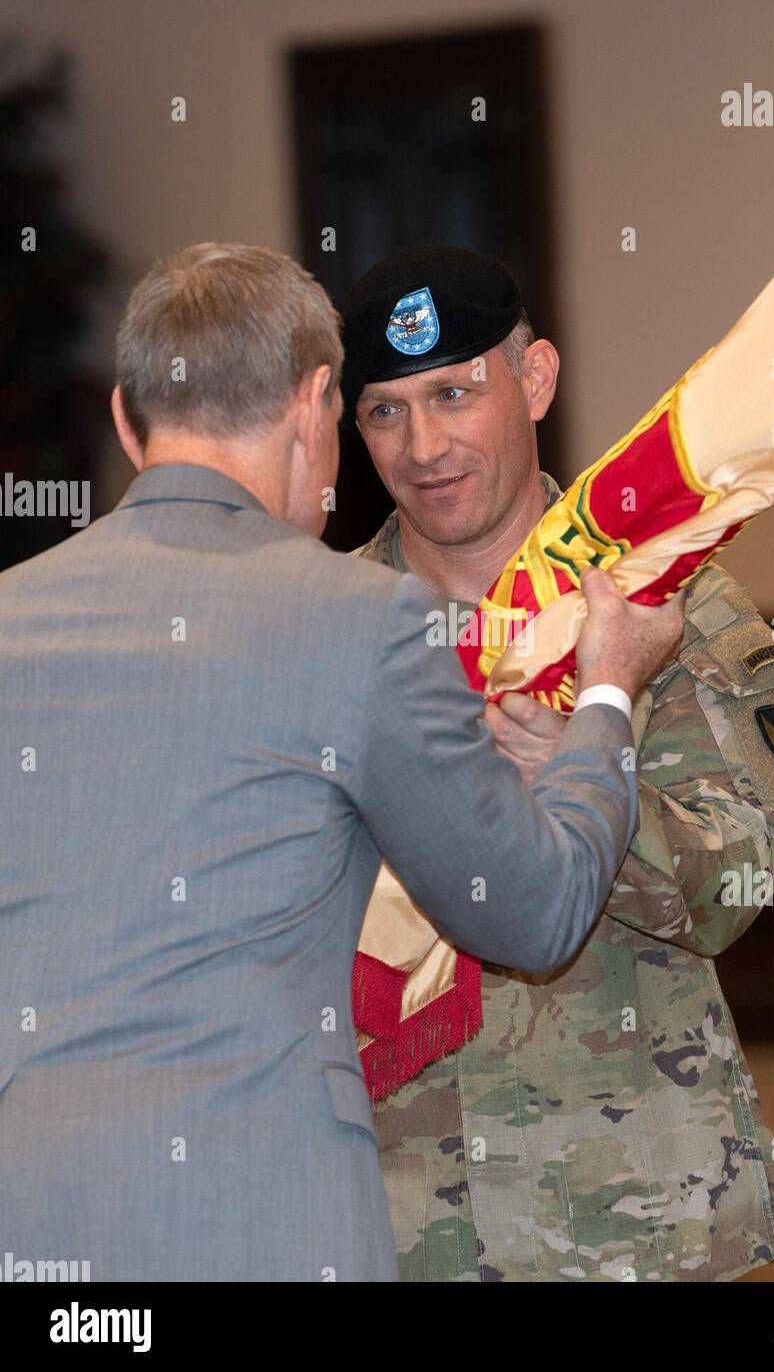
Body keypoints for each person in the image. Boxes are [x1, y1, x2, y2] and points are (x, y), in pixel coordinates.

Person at [0, 242, 685, 1283]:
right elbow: (533, 910)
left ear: (125, 420)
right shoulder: (360, 621)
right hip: (258, 1213)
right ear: (317, 402)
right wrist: (604, 697)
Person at [341, 244, 774, 1282]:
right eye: (383, 410)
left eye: (454, 393)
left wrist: (590, 775)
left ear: (535, 378)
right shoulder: (317, 633)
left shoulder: (659, 606)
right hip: (383, 1212)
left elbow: (734, 891)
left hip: (629, 1205)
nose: (422, 445)